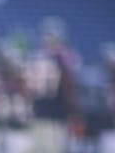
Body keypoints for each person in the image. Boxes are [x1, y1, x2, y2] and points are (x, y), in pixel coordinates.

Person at [26, 17, 83, 153]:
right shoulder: (66, 58)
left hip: (39, 111)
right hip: (55, 113)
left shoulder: (34, 56)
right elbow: (70, 88)